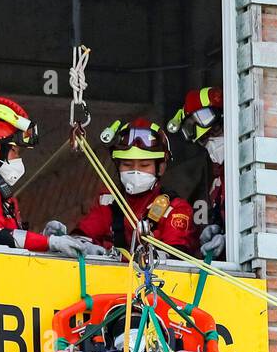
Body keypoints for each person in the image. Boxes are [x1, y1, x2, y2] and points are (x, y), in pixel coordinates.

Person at [0, 97, 103, 258]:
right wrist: (48, 242)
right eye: (14, 151)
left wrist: (43, 238)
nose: (17, 158)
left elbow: (10, 240)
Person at [72, 116, 198, 252]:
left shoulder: (175, 209)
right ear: (118, 166)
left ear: (161, 168)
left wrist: (151, 248)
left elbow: (176, 260)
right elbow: (83, 234)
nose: (135, 171)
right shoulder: (109, 201)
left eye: (144, 165)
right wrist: (72, 242)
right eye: (127, 164)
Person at [167, 87, 225, 259]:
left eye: (215, 132)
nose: (212, 143)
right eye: (204, 140)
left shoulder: (246, 169)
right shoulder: (211, 178)